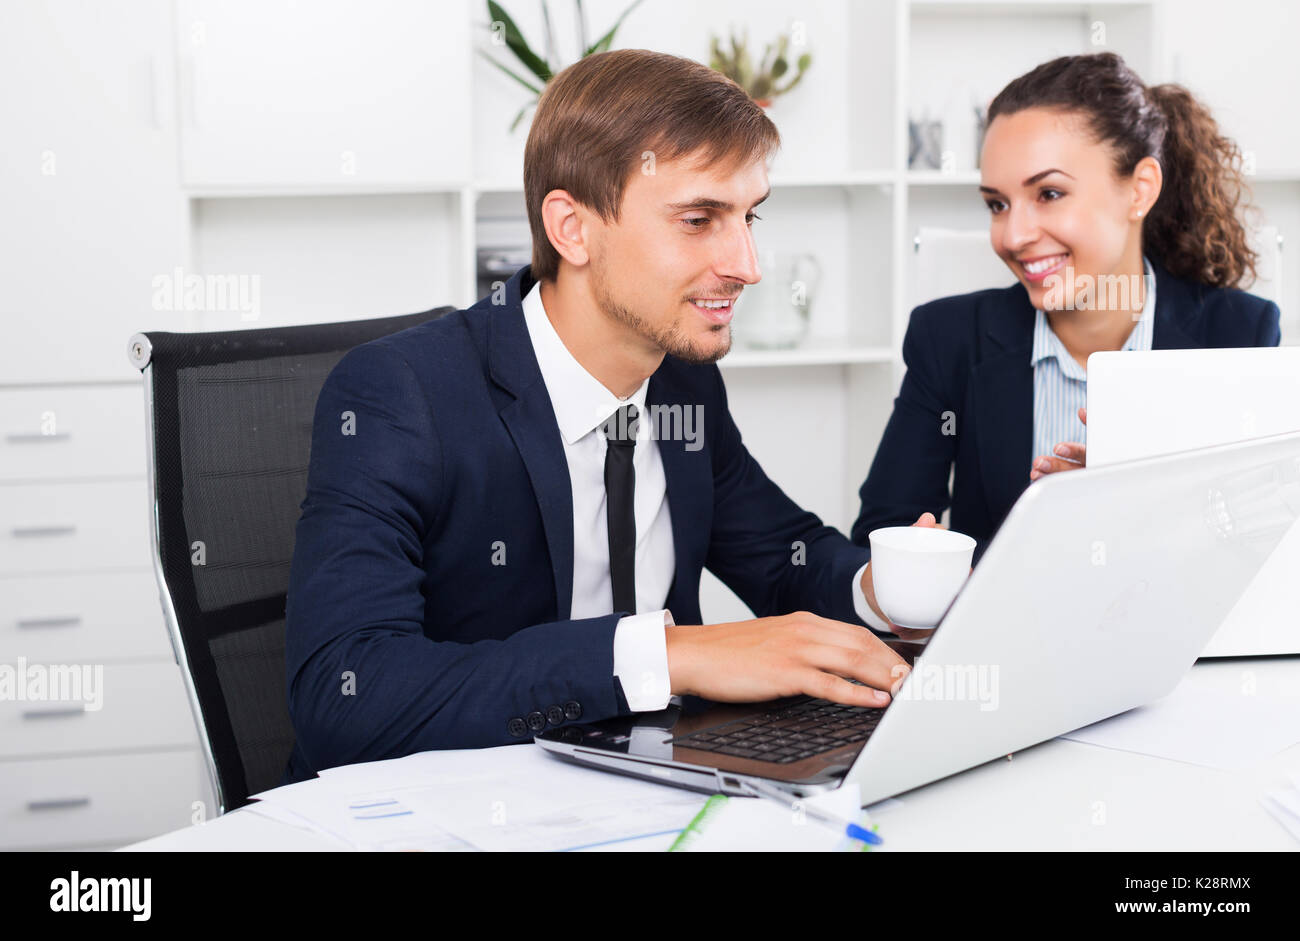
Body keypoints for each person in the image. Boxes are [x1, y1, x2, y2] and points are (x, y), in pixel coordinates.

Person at [282, 49, 921, 782]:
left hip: (647, 791)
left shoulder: (682, 382)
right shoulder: (401, 393)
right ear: (573, 229)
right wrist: (669, 654)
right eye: (698, 218)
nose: (748, 264)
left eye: (749, 216)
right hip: (457, 805)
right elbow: (344, 694)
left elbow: (782, 556)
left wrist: (883, 587)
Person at [851, 52, 1281, 640]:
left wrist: (1136, 493)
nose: (1014, 235)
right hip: (1005, 670)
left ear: (1140, 190)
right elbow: (880, 537)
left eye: (1048, 194)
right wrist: (917, 568)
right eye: (997, 204)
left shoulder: (1237, 335)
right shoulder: (949, 338)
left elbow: (1263, 554)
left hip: (1174, 672)